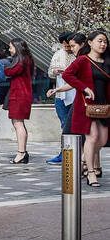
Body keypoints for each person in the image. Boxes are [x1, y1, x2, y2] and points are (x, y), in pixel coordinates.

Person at [62, 29, 110, 186]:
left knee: (102, 140)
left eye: (105, 41)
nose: (103, 44)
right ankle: (91, 173)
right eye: (99, 41)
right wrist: (83, 87)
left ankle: (83, 159)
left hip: (104, 104)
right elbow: (67, 75)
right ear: (90, 43)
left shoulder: (107, 61)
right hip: (87, 105)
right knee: (92, 137)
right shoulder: (83, 60)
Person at [46, 32, 78, 164]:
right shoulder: (58, 54)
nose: (67, 49)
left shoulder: (80, 56)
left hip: (76, 94)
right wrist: (55, 72)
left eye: (69, 46)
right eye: (65, 46)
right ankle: (64, 153)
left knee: (75, 126)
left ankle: (77, 154)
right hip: (61, 94)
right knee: (64, 124)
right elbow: (50, 72)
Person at [4, 37, 35, 164]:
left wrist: (4, 68)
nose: (9, 50)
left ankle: (21, 153)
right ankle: (23, 152)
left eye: (11, 47)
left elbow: (10, 71)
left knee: (18, 124)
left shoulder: (21, 61)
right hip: (22, 95)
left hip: (19, 95)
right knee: (19, 123)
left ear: (17, 47)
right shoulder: (27, 59)